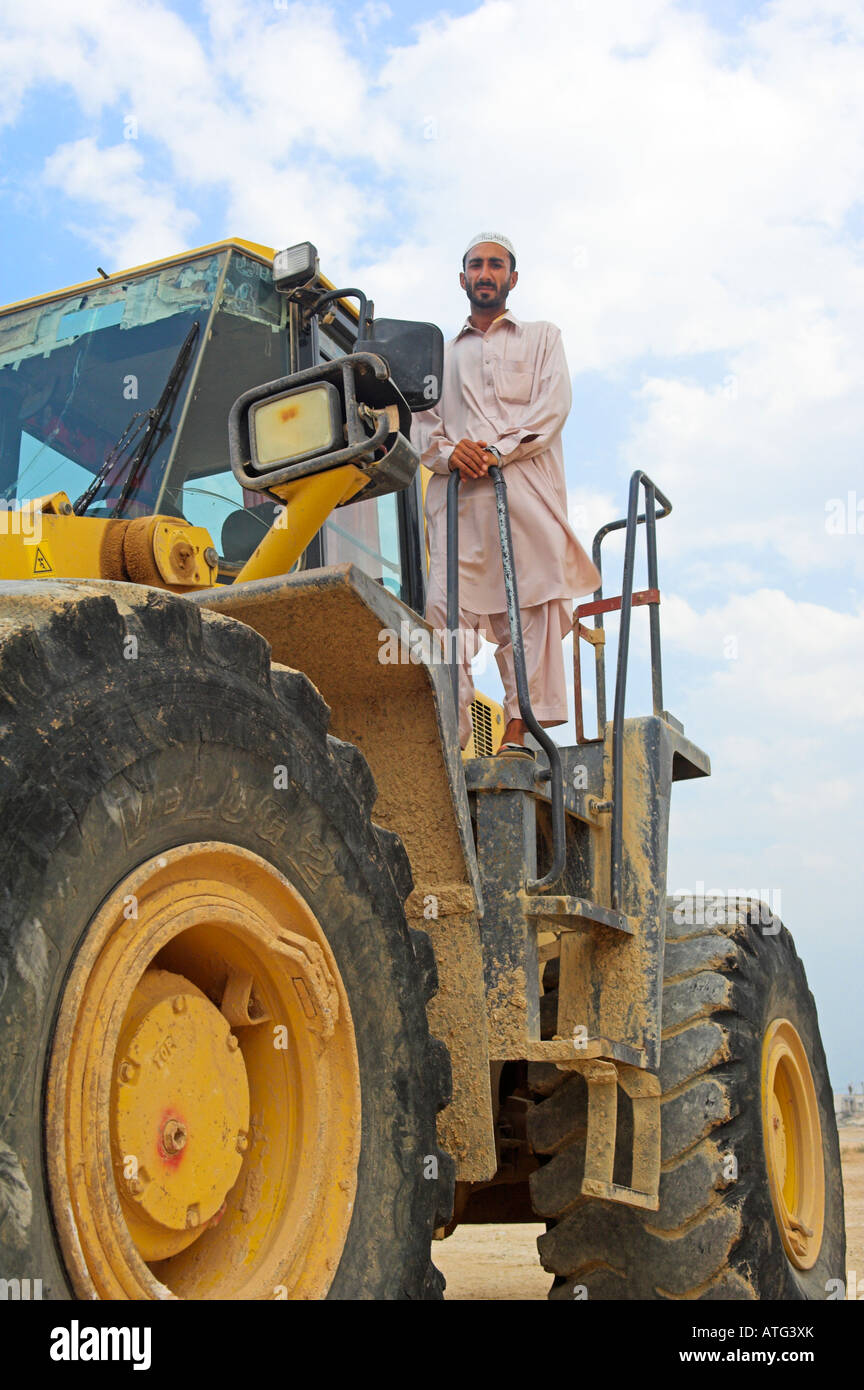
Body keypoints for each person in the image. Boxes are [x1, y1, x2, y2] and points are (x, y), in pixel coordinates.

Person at [417, 233, 600, 755]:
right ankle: (450, 735)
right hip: (459, 503)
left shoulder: (543, 338)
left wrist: (495, 451)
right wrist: (452, 453)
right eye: (475, 265)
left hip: (525, 493)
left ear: (512, 279)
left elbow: (553, 406)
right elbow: (420, 426)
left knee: (530, 608)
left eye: (496, 265)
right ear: (462, 279)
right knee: (444, 610)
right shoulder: (440, 356)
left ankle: (519, 727)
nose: (485, 273)